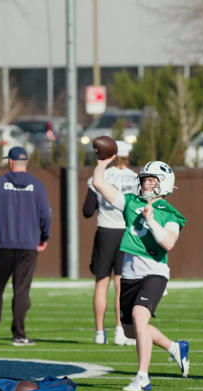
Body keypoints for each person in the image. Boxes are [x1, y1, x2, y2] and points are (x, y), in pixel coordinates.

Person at [91, 154, 189, 391]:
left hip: (154, 272)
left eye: (151, 180)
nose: (146, 183)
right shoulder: (131, 202)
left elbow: (168, 243)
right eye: (144, 179)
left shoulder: (170, 213)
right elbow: (99, 184)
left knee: (139, 316)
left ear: (164, 183)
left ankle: (142, 377)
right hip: (130, 274)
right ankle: (174, 347)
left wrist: (152, 221)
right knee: (130, 330)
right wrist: (102, 163)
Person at [0, 146, 51, 346]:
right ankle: (19, 335)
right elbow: (46, 214)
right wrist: (44, 237)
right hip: (28, 247)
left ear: (10, 161)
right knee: (21, 291)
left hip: (3, 245)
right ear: (25, 162)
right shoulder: (36, 184)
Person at [82, 140, 137, 345]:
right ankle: (120, 331)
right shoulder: (136, 178)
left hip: (105, 232)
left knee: (101, 283)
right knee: (121, 285)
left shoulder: (100, 176)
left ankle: (99, 333)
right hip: (127, 233)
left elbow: (87, 211)